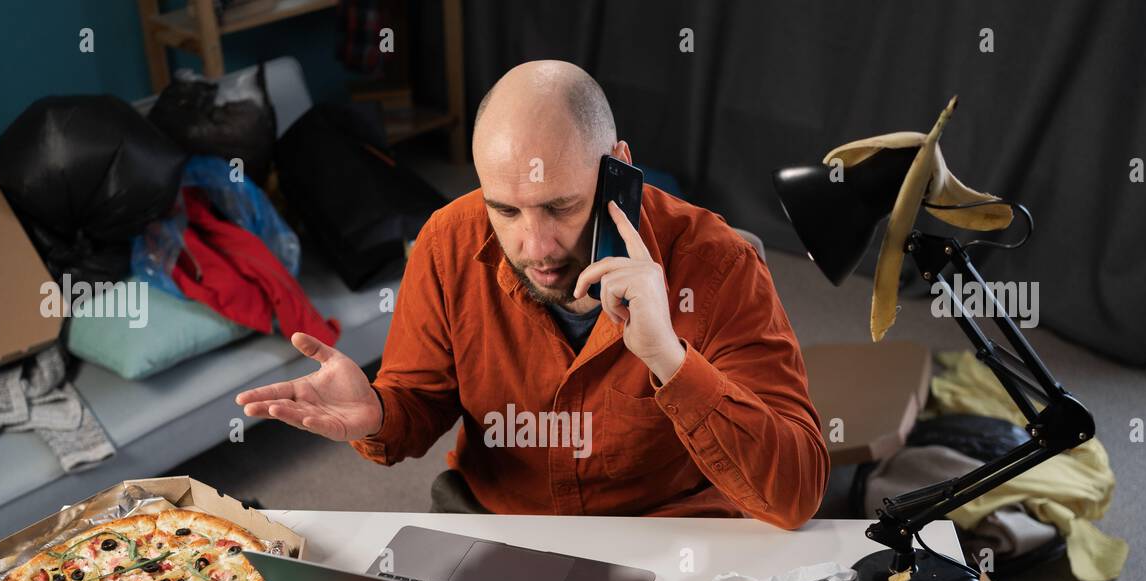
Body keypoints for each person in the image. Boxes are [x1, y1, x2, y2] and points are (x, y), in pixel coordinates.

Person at [237, 60, 828, 527]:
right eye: (505, 209)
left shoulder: (720, 263)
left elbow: (795, 494)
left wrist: (669, 360)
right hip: (501, 527)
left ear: (619, 168)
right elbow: (419, 404)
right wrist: (377, 413)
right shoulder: (446, 241)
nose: (536, 245)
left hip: (663, 533)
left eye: (561, 207)